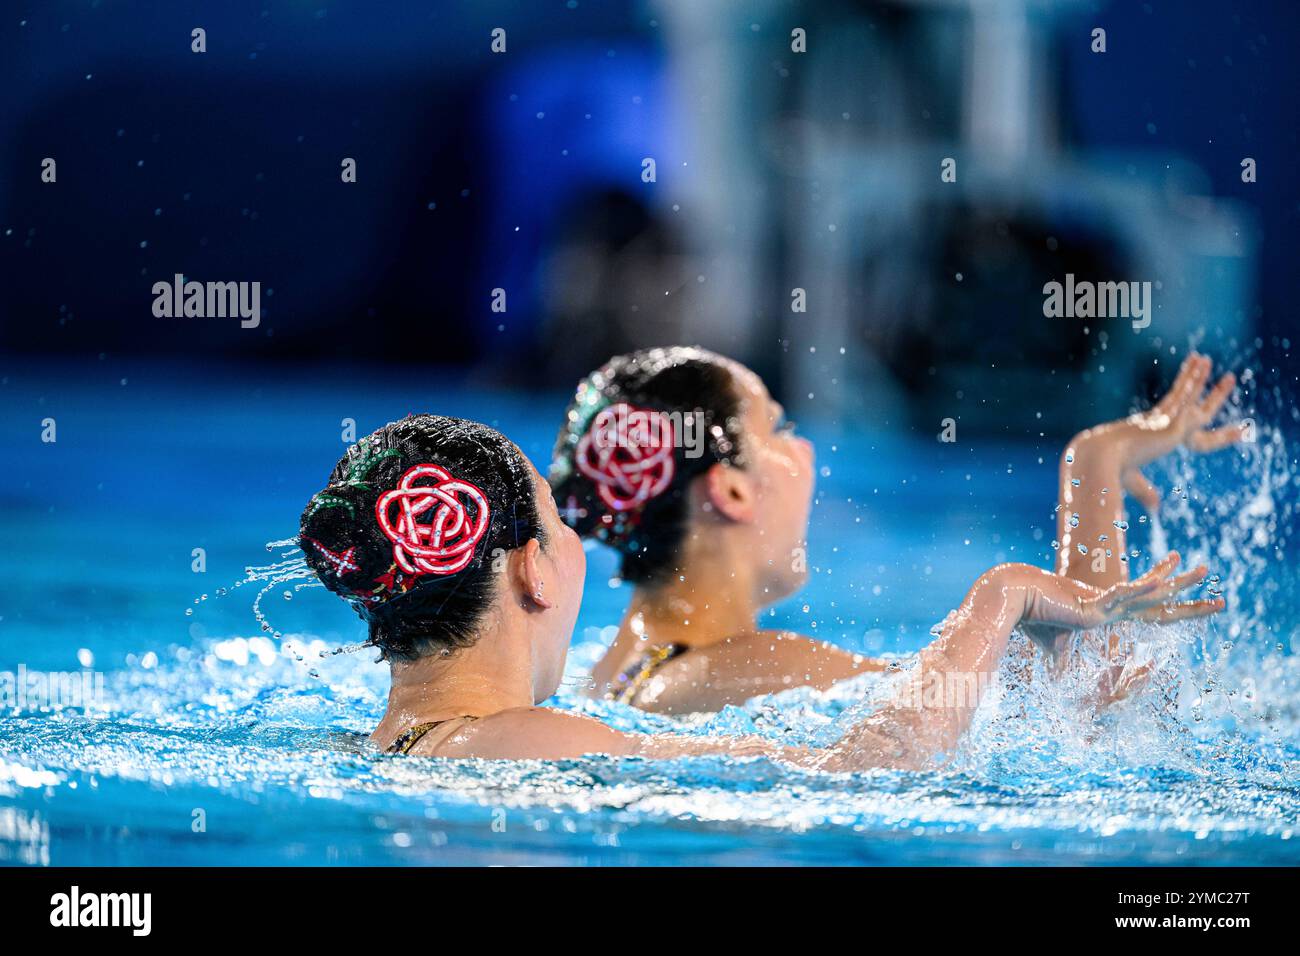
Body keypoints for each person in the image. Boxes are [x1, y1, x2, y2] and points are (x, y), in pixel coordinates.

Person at [299, 413, 1220, 767]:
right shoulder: (527, 738)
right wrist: (1002, 592)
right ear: (532, 568)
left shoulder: (379, 743)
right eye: (560, 525)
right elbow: (868, 776)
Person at [548, 347, 1240, 712]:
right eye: (779, 430)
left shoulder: (614, 670)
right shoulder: (739, 668)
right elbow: (1073, 688)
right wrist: (1096, 459)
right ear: (729, 489)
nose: (806, 450)